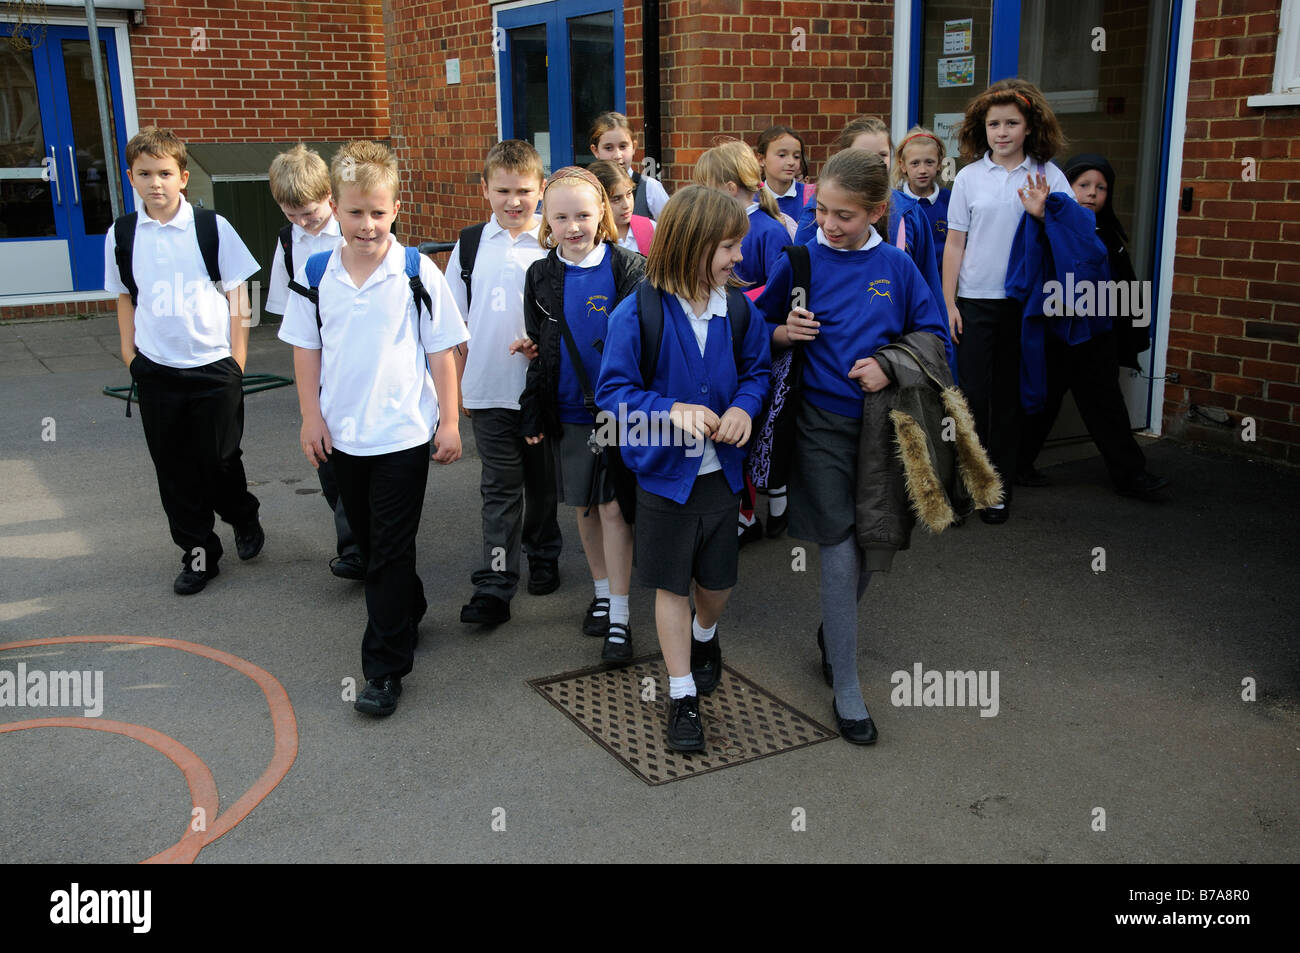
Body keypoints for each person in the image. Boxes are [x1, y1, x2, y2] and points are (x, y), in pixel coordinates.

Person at [756, 149, 950, 745]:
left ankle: (831, 635)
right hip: (818, 426)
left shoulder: (896, 264)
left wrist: (891, 365)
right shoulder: (800, 258)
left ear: (878, 211)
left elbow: (936, 336)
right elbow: (754, 329)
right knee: (839, 549)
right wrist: (783, 333)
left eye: (845, 215)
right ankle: (847, 685)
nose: (829, 225)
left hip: (883, 428)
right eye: (823, 212)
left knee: (873, 543)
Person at [279, 140, 468, 717]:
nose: (367, 224)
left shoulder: (417, 274)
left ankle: (383, 669)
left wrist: (451, 422)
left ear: (396, 209)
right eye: (356, 211)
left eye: (379, 212)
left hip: (404, 435)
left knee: (386, 549)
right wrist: (311, 415)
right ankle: (407, 604)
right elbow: (306, 348)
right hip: (342, 437)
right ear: (334, 207)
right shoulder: (316, 272)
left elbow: (443, 351)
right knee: (369, 541)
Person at [595, 185, 771, 752]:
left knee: (715, 585)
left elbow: (758, 372)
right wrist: (671, 410)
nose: (737, 258)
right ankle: (681, 693)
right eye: (727, 247)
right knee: (672, 585)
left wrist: (744, 407)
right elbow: (614, 396)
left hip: (722, 477)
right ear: (690, 246)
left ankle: (706, 633)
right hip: (662, 480)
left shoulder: (738, 309)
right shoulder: (637, 312)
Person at [105, 126, 263, 596]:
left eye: (165, 173)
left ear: (183, 177)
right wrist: (129, 354)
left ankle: (242, 513)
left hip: (214, 366)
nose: (155, 182)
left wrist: (237, 359)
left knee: (218, 460)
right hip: (155, 370)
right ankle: (198, 554)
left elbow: (239, 292)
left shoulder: (210, 227)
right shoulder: (124, 233)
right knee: (173, 470)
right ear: (130, 177)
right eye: (144, 173)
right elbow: (123, 297)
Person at [520, 166, 646, 663]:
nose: (573, 226)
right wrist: (533, 410)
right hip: (568, 411)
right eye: (561, 217)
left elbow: (646, 340)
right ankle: (600, 592)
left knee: (615, 508)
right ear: (546, 221)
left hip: (619, 409)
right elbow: (541, 345)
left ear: (603, 217)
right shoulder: (539, 275)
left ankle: (620, 615)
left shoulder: (628, 268)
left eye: (584, 215)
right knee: (586, 508)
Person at [943, 79, 1071, 524]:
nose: (1001, 132)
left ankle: (997, 488)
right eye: (993, 123)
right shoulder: (969, 177)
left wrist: (1044, 211)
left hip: (1024, 304)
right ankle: (968, 481)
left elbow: (1072, 236)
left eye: (1011, 123)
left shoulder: (1048, 175)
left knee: (1010, 399)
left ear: (1029, 126)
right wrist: (949, 302)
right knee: (972, 396)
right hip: (975, 302)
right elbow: (955, 243)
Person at [448, 139, 563, 627]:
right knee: (499, 486)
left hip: (543, 389)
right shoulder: (471, 244)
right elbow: (449, 326)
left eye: (523, 191)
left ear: (541, 189)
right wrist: (454, 394)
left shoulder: (554, 239)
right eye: (502, 191)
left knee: (541, 484)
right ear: (485, 190)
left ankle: (543, 554)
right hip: (489, 388)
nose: (513, 202)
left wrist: (546, 346)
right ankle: (495, 583)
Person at [1012, 152, 1169, 500]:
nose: (1092, 193)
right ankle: (1018, 465)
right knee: (1042, 402)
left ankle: (1131, 475)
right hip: (1057, 330)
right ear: (1066, 187)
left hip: (1096, 335)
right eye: (1083, 185)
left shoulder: (1110, 233)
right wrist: (1043, 216)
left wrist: (1131, 332)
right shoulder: (1054, 224)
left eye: (1101, 187)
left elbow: (1125, 283)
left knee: (1105, 405)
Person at [265, 143, 361, 581]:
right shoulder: (287, 245)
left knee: (366, 459)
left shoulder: (355, 229)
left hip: (363, 361)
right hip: (321, 368)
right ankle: (355, 541)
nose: (304, 222)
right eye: (292, 215)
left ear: (330, 196)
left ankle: (362, 542)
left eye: (311, 211)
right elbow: (291, 322)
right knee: (329, 462)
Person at [695, 138, 791, 544]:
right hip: (728, 340)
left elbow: (780, 289)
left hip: (757, 341)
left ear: (729, 188)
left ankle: (752, 513)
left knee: (750, 428)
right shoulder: (732, 227)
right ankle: (744, 510)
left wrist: (734, 300)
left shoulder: (768, 230)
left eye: (707, 187)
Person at [588, 111, 669, 219]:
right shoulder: (587, 190)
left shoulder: (650, 188)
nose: (617, 155)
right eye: (608, 148)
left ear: (634, 147)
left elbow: (671, 230)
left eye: (623, 146)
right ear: (595, 151)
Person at [893, 127, 951, 277]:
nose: (923, 170)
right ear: (903, 165)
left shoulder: (950, 200)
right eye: (915, 163)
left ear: (939, 164)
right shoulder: (894, 203)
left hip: (941, 284)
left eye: (929, 162)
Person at [589, 158, 655, 255]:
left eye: (629, 194)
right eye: (616, 199)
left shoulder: (651, 228)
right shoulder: (589, 239)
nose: (626, 205)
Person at [756, 124, 814, 221]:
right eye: (782, 155)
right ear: (761, 159)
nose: (791, 162)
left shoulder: (812, 195)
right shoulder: (751, 200)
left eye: (796, 156)